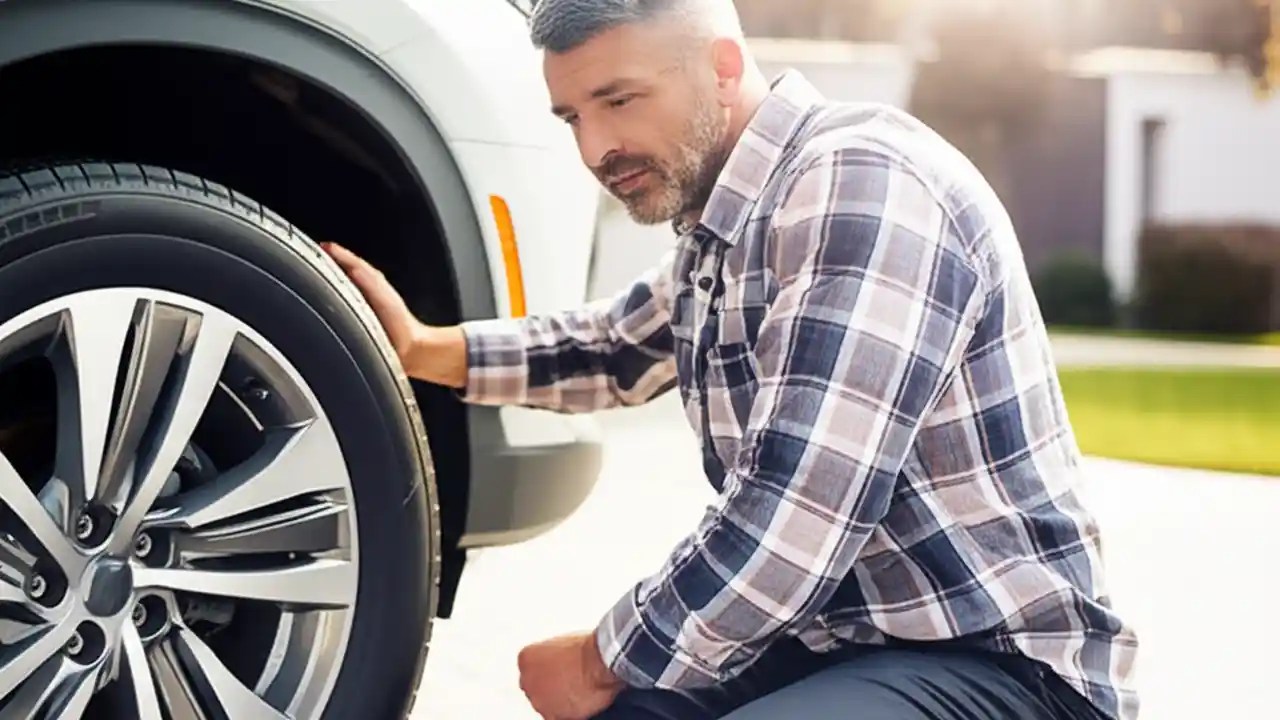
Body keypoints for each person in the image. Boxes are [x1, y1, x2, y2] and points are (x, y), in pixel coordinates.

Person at [323, 0, 1140, 718]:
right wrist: (425, 349)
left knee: (613, 687)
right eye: (572, 116)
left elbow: (797, 516)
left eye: (620, 99)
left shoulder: (858, 183)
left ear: (722, 66)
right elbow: (612, 348)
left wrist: (601, 657)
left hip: (1003, 670)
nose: (597, 149)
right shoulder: (728, 223)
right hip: (838, 647)